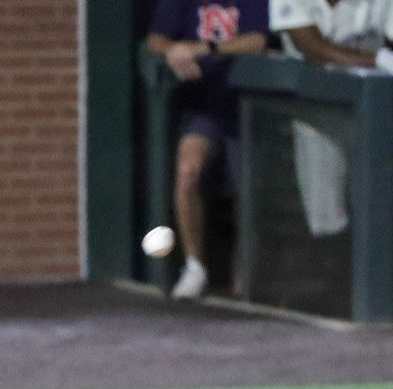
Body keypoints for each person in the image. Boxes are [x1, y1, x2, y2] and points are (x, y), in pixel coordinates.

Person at [147, 0, 270, 299]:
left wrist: (204, 48)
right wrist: (174, 52)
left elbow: (258, 40)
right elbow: (155, 39)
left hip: (249, 105)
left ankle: (244, 277)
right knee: (187, 174)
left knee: (248, 195)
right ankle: (194, 267)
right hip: (203, 107)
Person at [270, 0, 393, 237]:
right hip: (314, 113)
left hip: (372, 114)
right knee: (326, 221)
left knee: (377, 209)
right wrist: (379, 59)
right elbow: (311, 47)